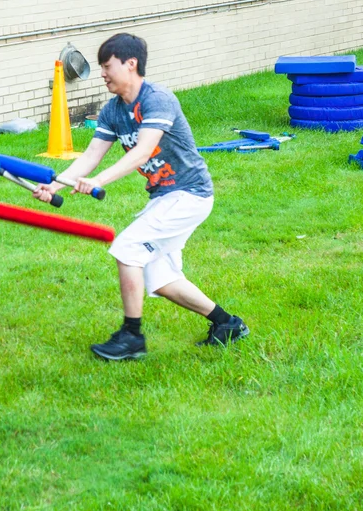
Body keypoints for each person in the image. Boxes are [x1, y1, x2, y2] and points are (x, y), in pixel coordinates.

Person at [33, 33, 249, 360]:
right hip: (164, 197)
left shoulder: (157, 99)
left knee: (128, 248)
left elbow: (143, 151)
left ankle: (132, 337)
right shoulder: (112, 111)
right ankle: (227, 323)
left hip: (190, 193)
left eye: (107, 66)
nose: (102, 73)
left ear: (130, 64)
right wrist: (55, 186)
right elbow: (91, 156)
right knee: (160, 278)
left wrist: (98, 181)